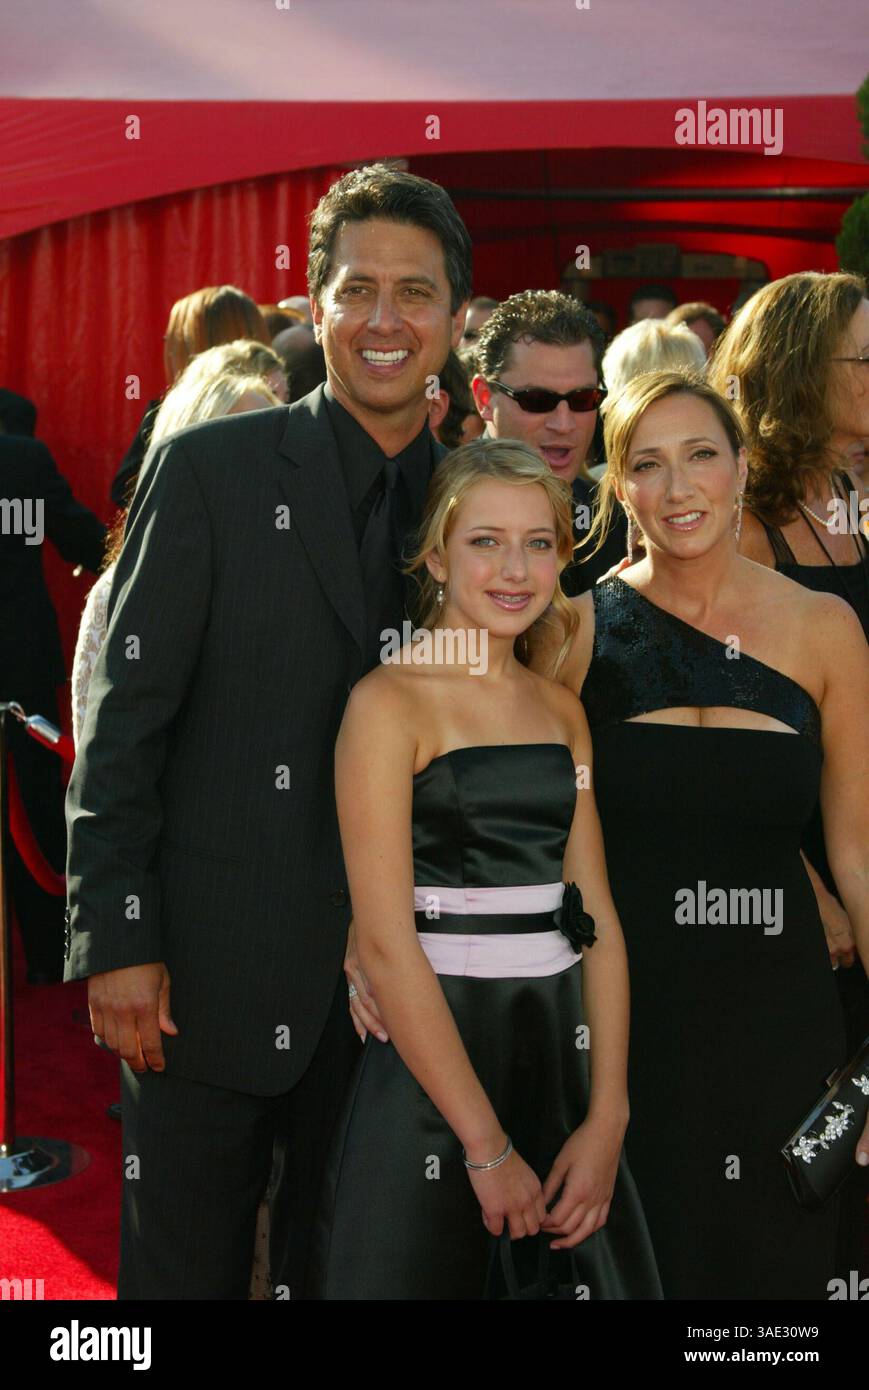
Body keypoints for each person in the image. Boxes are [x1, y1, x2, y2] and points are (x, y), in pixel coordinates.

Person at [64, 162, 471, 1300]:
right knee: (180, 1279)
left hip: (399, 1006)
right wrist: (120, 937)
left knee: (344, 1272)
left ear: (452, 317)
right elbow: (124, 719)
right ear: (315, 302)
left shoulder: (475, 516)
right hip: (204, 979)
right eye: (355, 290)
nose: (383, 320)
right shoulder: (209, 472)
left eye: (414, 292)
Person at [530, 371, 869, 1299]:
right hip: (626, 1015)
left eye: (700, 457)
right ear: (617, 485)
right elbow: (542, 851)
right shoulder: (572, 631)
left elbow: (857, 851)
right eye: (647, 464)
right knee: (645, 1265)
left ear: (741, 468)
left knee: (772, 1280)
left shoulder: (823, 627)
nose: (677, 489)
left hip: (780, 1017)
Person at [313, 439, 662, 1300]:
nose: (515, 568)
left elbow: (598, 923)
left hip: (560, 1059)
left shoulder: (560, 710)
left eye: (539, 542)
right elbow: (389, 947)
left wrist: (607, 1117)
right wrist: (485, 1148)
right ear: (434, 555)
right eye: (485, 542)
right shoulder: (384, 706)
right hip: (432, 1078)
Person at [709, 270, 869, 1270]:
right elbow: (723, 742)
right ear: (804, 371)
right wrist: (804, 885)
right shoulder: (744, 533)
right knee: (813, 1152)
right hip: (804, 881)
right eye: (864, 358)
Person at [0, 428, 105, 982]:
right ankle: (48, 956)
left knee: (37, 804)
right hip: (18, 661)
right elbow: (79, 539)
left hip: (21, 664)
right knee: (36, 801)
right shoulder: (21, 457)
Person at [471, 290, 626, 592]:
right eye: (537, 400)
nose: (563, 424)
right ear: (484, 398)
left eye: (583, 399)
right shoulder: (432, 505)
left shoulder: (610, 520)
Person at [108, 286, 272, 507]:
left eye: (172, 338)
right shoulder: (290, 407)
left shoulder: (171, 412)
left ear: (191, 343)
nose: (167, 346)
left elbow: (128, 492)